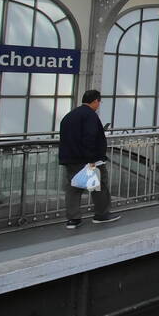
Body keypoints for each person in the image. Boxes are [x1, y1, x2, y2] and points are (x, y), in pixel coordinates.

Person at [59, 89, 119, 228]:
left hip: (70, 159)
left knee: (73, 188)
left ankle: (73, 219)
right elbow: (89, 138)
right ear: (95, 101)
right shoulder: (90, 116)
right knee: (98, 187)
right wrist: (92, 159)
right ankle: (101, 214)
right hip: (89, 160)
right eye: (99, 102)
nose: (99, 105)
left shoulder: (69, 116)